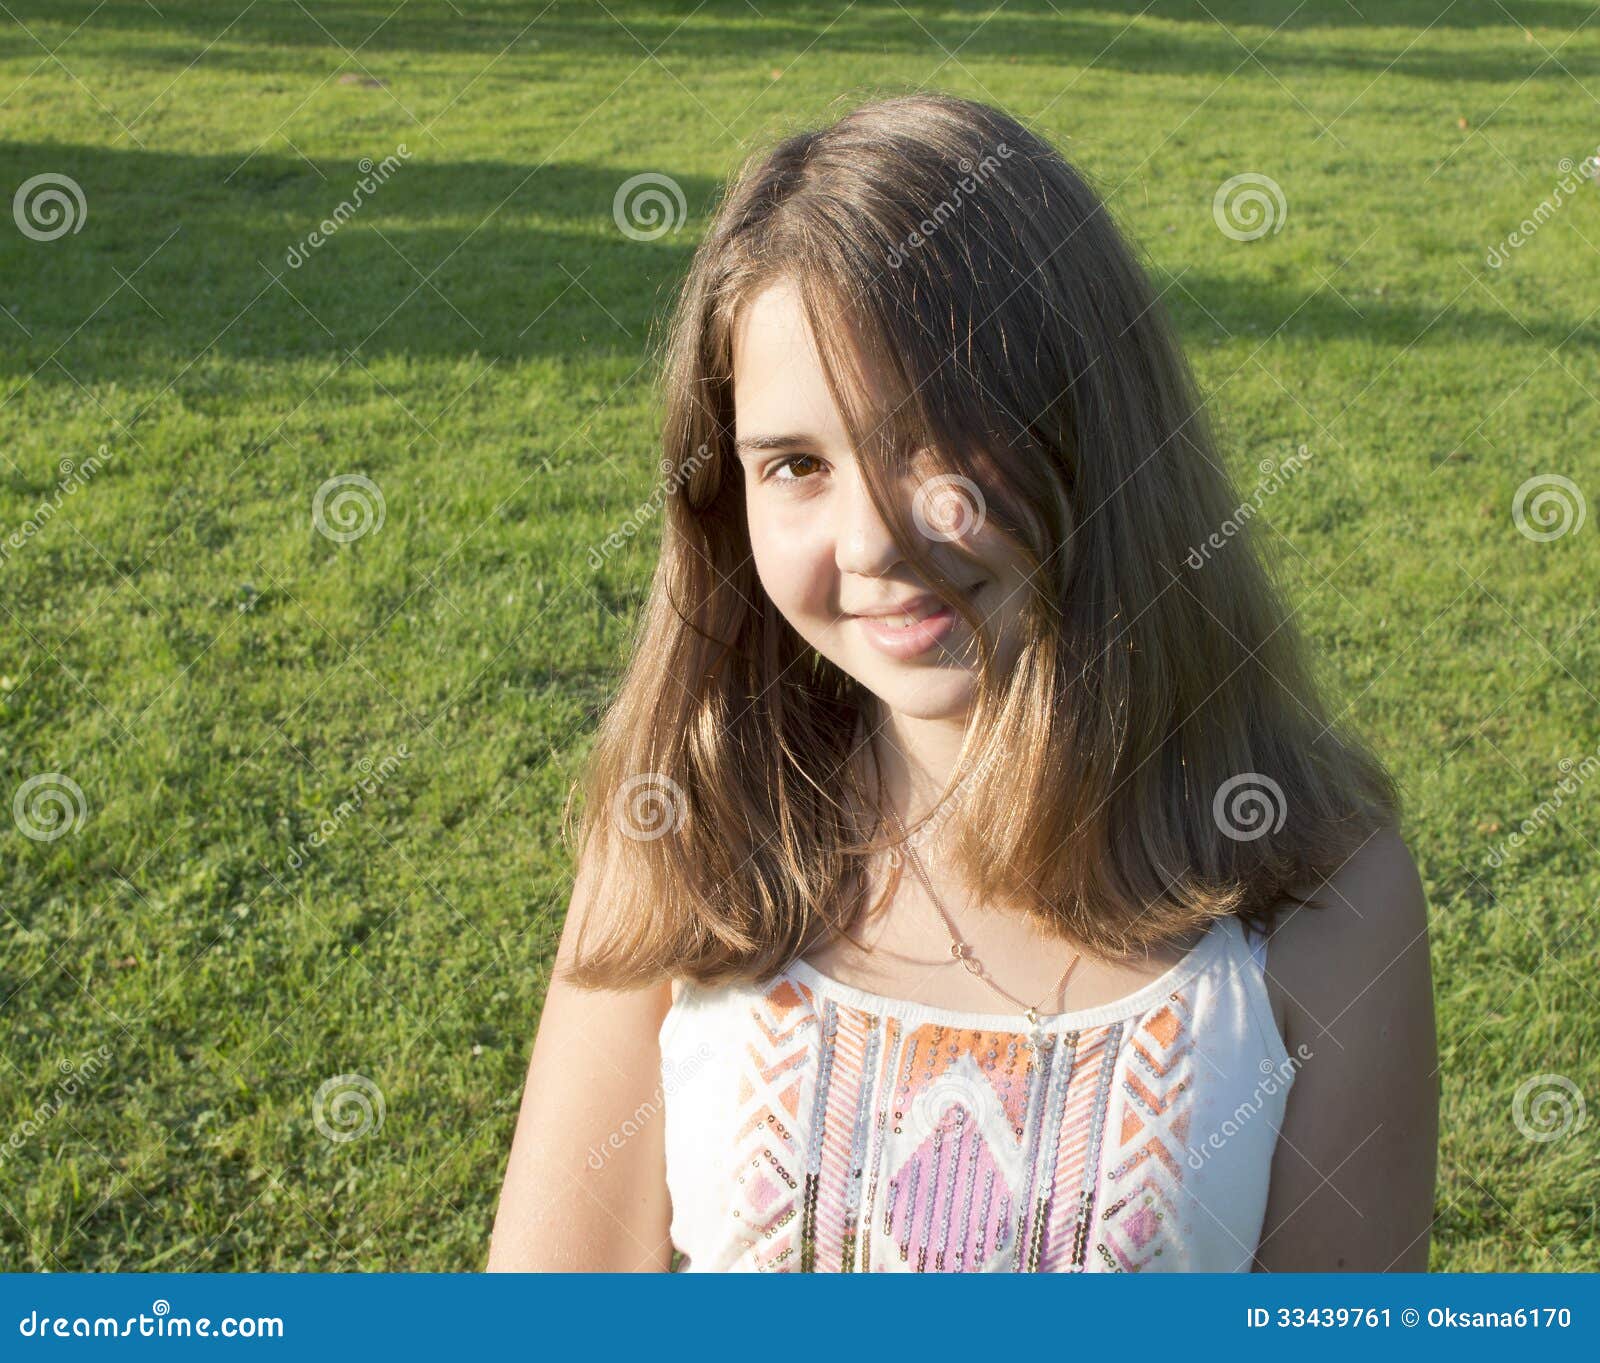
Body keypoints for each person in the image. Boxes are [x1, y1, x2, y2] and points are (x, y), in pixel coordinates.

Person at [486, 91, 1438, 1273]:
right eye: (794, 463)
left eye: (937, 443)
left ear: (1094, 434)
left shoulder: (1315, 898)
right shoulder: (688, 836)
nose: (874, 539)